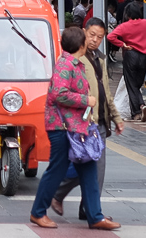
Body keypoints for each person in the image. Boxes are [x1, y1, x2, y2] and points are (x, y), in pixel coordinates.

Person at [29, 26, 120, 230]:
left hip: (77, 128)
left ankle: (95, 216)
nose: (91, 41)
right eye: (87, 38)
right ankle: (37, 212)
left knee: (88, 169)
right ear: (80, 45)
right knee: (57, 169)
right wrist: (85, 100)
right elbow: (58, 94)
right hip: (61, 127)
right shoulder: (65, 66)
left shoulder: (76, 64)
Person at [50, 19, 122, 220]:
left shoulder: (100, 59)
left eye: (99, 37)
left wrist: (116, 117)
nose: (95, 40)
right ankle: (81, 206)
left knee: (92, 167)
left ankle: (82, 206)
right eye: (92, 35)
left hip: (99, 120)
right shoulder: (76, 60)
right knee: (90, 166)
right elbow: (62, 93)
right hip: (83, 122)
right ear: (84, 32)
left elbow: (105, 92)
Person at [107, 4, 146, 123]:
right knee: (137, 84)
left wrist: (123, 45)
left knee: (131, 85)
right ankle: (139, 109)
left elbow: (111, 36)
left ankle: (138, 110)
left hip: (130, 55)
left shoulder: (124, 26)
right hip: (144, 56)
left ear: (127, 14)